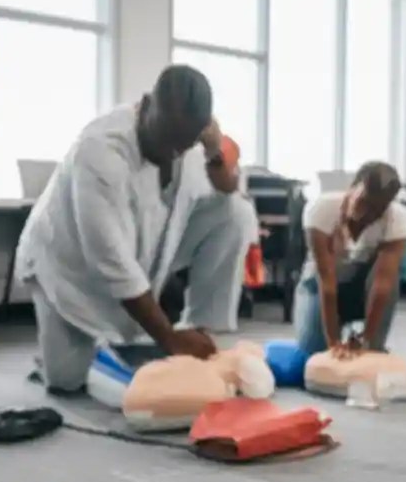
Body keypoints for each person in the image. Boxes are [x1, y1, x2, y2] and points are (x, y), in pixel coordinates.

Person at [15, 64, 256, 392]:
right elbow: (110, 261)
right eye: (167, 140)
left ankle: (199, 329)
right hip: (68, 266)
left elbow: (228, 190)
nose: (172, 154)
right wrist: (168, 338)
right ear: (145, 104)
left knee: (236, 213)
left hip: (145, 245)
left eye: (182, 146)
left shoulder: (191, 138)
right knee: (68, 380)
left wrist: (214, 150)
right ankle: (53, 359)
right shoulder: (99, 149)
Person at [292, 162, 406, 357]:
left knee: (391, 279)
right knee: (313, 354)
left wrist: (367, 341)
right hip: (319, 286)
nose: (366, 214)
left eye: (376, 210)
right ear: (353, 186)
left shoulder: (396, 218)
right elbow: (327, 284)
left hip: (362, 289)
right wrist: (332, 344)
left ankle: (372, 345)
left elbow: (382, 286)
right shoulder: (321, 209)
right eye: (363, 202)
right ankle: (332, 338)